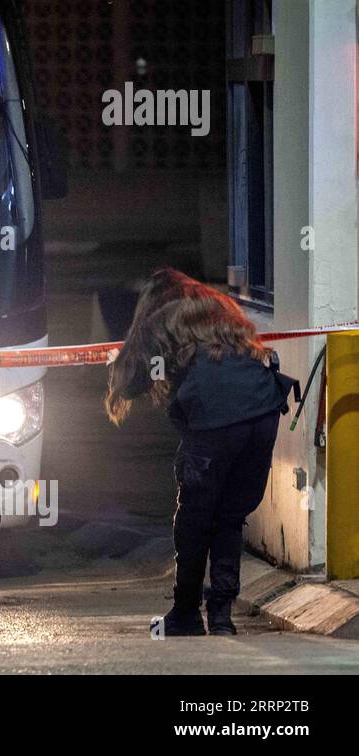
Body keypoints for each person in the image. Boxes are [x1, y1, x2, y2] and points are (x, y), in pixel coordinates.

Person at [105, 267, 298, 636]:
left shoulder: (160, 318)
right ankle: (222, 618)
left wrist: (119, 358)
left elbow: (131, 382)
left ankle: (186, 614)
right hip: (262, 408)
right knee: (229, 516)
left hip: (215, 418)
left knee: (194, 520)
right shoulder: (219, 307)